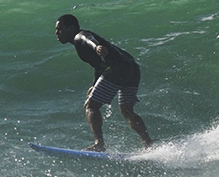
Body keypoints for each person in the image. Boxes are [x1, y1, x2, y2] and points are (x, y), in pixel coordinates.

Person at [54, 14, 154, 151]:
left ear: (70, 28)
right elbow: (99, 65)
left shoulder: (79, 37)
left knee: (90, 106)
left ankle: (99, 144)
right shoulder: (80, 42)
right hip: (132, 68)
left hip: (118, 69)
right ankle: (148, 143)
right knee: (127, 110)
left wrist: (96, 47)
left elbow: (88, 39)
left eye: (60, 29)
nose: (57, 33)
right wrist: (94, 84)